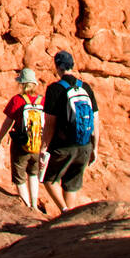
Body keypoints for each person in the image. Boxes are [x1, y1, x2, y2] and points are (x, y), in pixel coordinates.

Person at [41, 50, 99, 212]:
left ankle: (65, 211)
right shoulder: (85, 87)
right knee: (71, 184)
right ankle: (70, 216)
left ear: (57, 67)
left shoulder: (54, 89)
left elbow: (50, 123)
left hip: (64, 146)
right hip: (85, 145)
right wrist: (95, 148)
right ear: (72, 65)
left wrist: (44, 148)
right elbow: (96, 120)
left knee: (49, 180)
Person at [0, 67, 45, 210]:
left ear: (21, 84)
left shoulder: (17, 100)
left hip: (21, 144)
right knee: (33, 174)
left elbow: (7, 122)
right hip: (38, 143)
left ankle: (26, 205)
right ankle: (34, 205)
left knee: (19, 176)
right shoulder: (43, 100)